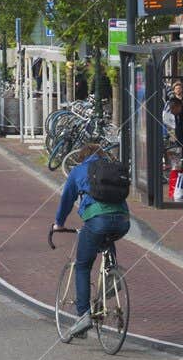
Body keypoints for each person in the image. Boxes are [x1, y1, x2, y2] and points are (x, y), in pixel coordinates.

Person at [54, 144, 131, 336]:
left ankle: (82, 317)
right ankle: (112, 275)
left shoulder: (79, 171)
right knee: (107, 237)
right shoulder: (113, 170)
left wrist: (59, 223)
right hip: (123, 222)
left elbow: (66, 200)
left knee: (83, 266)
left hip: (97, 220)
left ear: (82, 157)